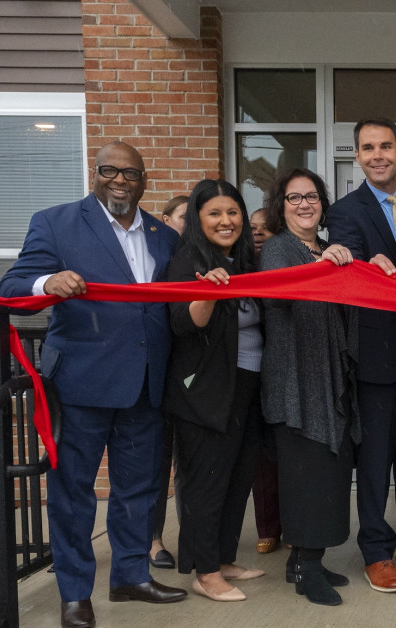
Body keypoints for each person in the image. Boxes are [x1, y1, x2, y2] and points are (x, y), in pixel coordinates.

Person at [0, 142, 187, 628]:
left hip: (146, 383)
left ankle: (131, 576)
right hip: (80, 383)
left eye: (131, 173)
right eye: (109, 170)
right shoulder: (55, 222)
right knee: (73, 494)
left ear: (144, 181)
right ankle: (75, 594)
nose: (120, 180)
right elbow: (11, 287)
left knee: (139, 488)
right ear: (94, 173)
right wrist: (47, 283)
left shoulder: (164, 235)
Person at [326, 118, 396, 592]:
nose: (377, 155)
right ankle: (375, 549)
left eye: (386, 146)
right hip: (376, 353)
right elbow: (351, 271)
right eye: (368, 148)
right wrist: (368, 266)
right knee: (374, 461)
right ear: (357, 157)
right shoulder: (345, 211)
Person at [259, 167, 359, 606]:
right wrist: (325, 265)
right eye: (294, 197)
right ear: (280, 206)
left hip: (329, 374)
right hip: (295, 379)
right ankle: (308, 569)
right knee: (305, 476)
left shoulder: (326, 247)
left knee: (326, 474)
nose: (305, 204)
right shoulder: (278, 248)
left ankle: (302, 560)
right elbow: (278, 294)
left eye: (312, 196)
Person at [163, 179, 265, 602]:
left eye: (233, 212)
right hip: (205, 393)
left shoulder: (244, 261)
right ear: (197, 219)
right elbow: (184, 323)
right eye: (215, 213)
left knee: (237, 479)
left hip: (247, 385)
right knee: (206, 483)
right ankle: (205, 573)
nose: (226, 221)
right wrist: (206, 292)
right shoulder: (188, 259)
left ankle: (223, 559)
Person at [149, 193, 190, 569]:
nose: (190, 224)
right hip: (157, 370)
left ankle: (193, 541)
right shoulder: (156, 256)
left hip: (193, 373)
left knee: (188, 461)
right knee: (157, 460)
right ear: (165, 220)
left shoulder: (199, 258)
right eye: (183, 217)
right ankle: (154, 539)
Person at [246, 205, 282, 555]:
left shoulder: (286, 264)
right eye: (252, 227)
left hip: (284, 367)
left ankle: (293, 523)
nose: (257, 233)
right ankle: (268, 528)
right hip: (251, 368)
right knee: (262, 456)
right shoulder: (240, 268)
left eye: (265, 227)